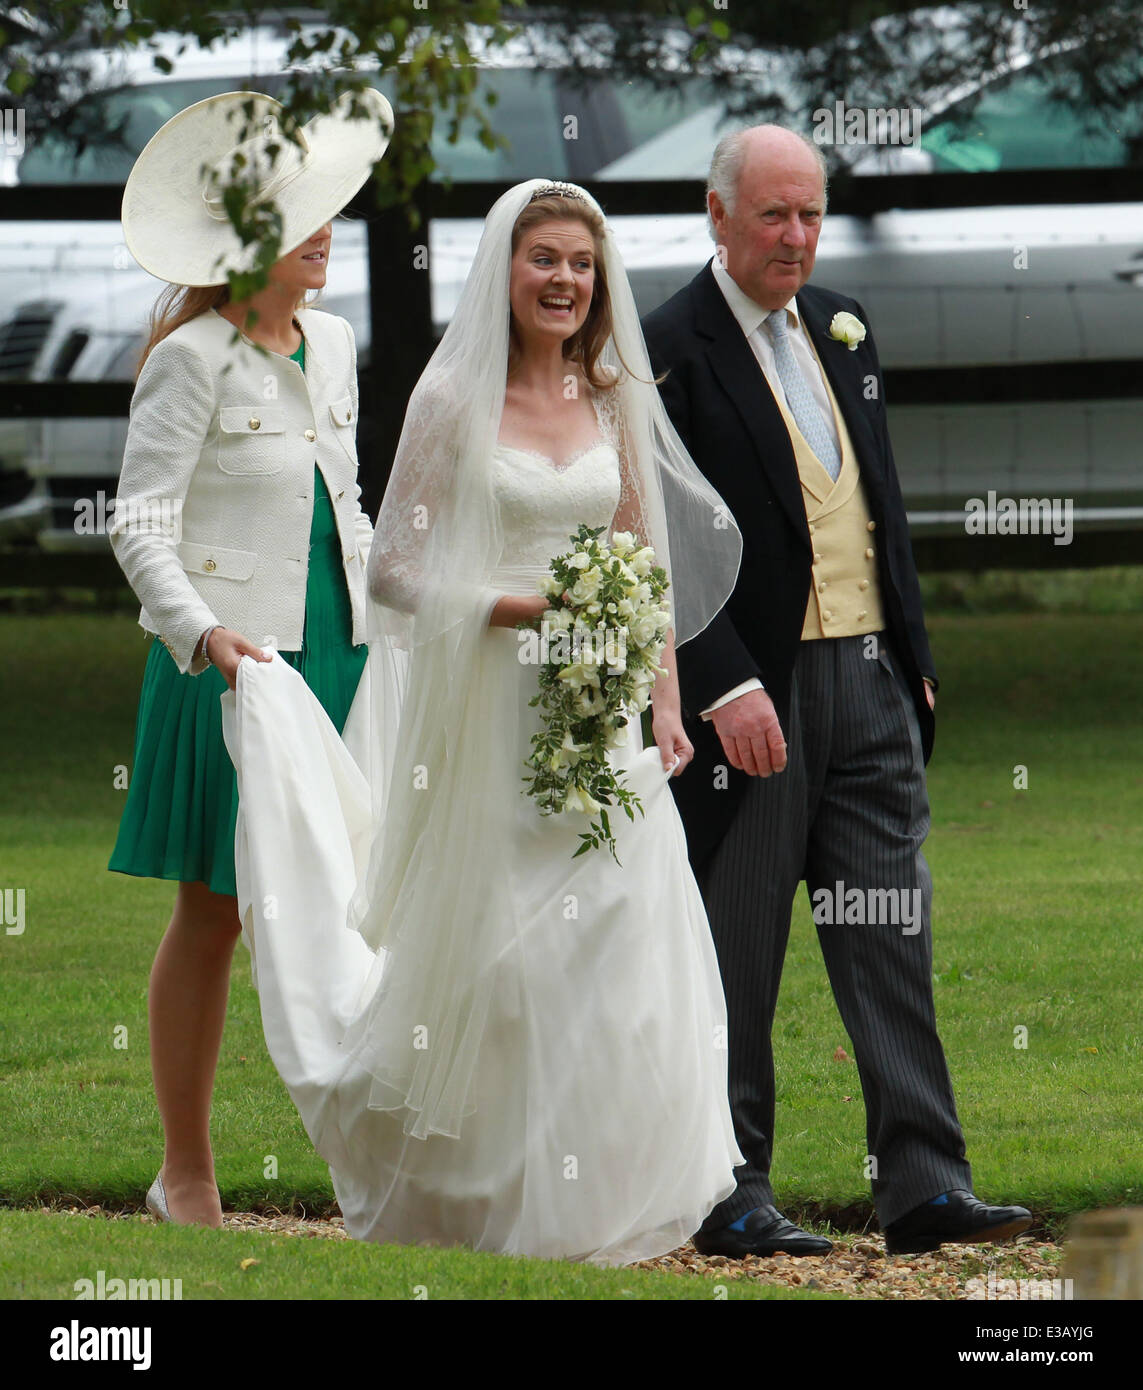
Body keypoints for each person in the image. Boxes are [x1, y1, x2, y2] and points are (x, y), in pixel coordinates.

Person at [219, 178, 747, 1264]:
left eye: (581, 264)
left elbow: (639, 558)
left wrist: (662, 696)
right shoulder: (451, 400)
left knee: (612, 933)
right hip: (494, 705)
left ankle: (598, 1199)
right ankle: (481, 1193)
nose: (564, 280)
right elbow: (401, 572)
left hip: (597, 708)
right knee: (508, 953)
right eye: (544, 259)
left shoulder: (610, 398)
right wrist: (524, 606)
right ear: (507, 271)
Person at [641, 124, 1032, 1257]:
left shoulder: (846, 325)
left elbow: (878, 505)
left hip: (871, 688)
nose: (797, 237)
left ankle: (925, 1184)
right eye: (774, 215)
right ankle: (727, 1187)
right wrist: (722, 684)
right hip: (754, 696)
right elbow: (657, 540)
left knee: (887, 934)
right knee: (739, 945)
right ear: (718, 215)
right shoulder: (667, 346)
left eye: (810, 214)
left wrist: (913, 665)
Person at [106, 87, 393, 1228]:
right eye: (300, 216)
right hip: (224, 667)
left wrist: (392, 612)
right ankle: (186, 1170)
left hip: (333, 649)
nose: (326, 231)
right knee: (218, 910)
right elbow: (139, 524)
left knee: (346, 902)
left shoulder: (333, 340)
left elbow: (348, 500)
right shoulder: (192, 362)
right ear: (245, 242)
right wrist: (201, 634)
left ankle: (367, 1160)